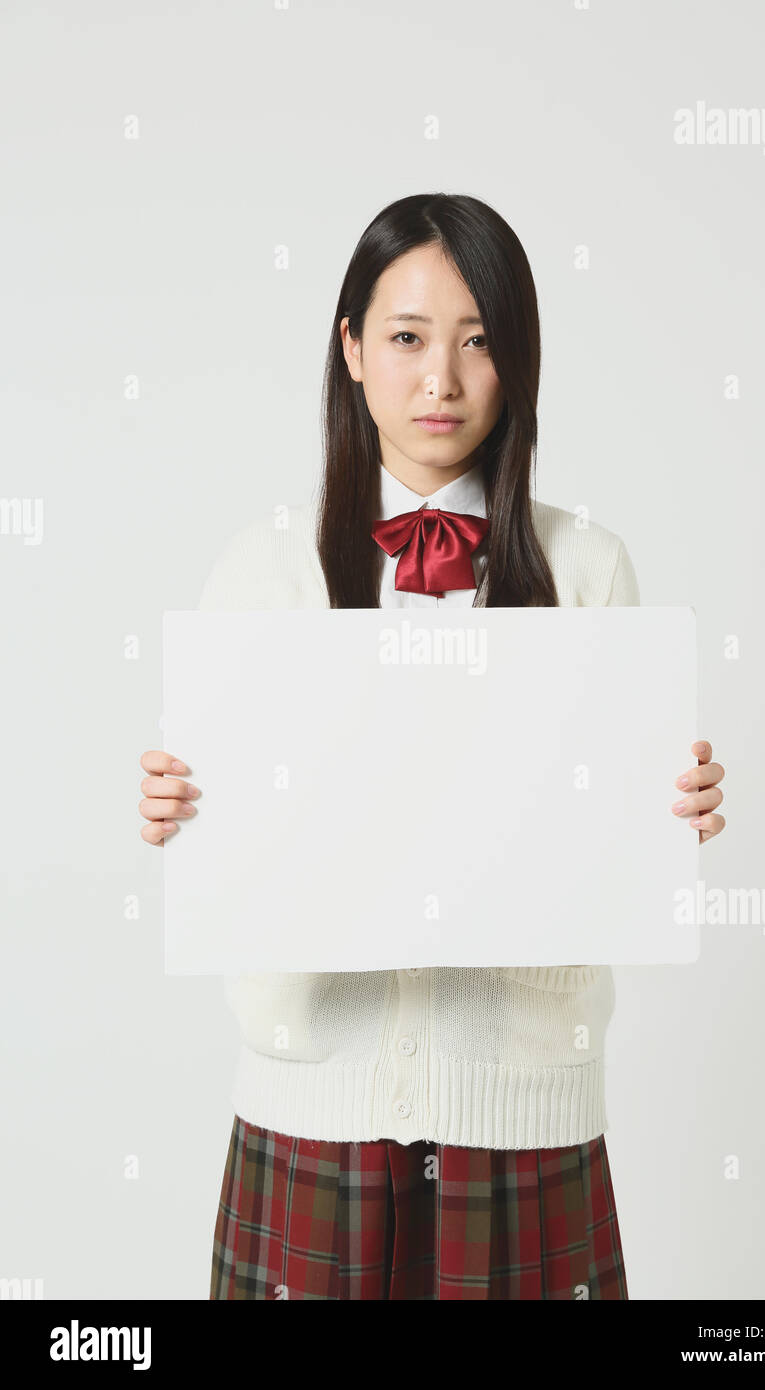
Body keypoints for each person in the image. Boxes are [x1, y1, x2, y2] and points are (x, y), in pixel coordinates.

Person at [138, 192, 726, 1300]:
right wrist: (184, 811)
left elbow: (611, 874)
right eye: (405, 338)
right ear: (351, 349)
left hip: (524, 1120)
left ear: (519, 361)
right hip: (309, 1120)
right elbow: (237, 864)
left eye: (477, 341)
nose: (440, 381)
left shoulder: (590, 571)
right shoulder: (259, 578)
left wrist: (666, 821)